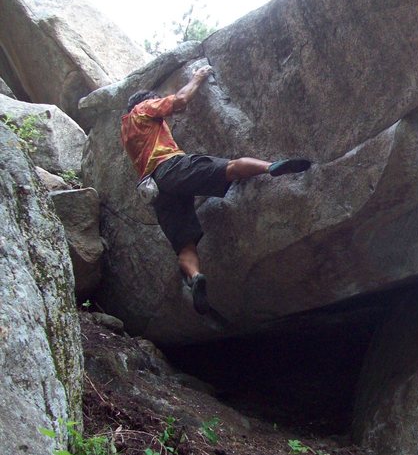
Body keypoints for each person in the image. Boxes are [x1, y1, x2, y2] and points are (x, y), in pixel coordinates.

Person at [121, 64, 310, 315]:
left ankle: (196, 276)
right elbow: (179, 100)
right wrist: (197, 77)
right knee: (229, 168)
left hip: (155, 189)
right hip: (171, 167)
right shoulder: (143, 109)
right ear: (145, 101)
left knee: (185, 246)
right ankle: (271, 167)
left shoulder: (125, 129)